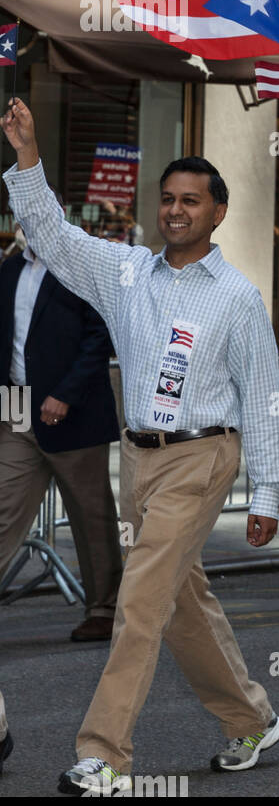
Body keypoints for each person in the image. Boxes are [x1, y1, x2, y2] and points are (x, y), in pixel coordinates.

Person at [1, 97, 279, 796]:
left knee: (140, 601)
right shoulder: (126, 273)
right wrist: (29, 156)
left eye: (191, 200)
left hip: (201, 456)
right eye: (167, 199)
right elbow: (53, 234)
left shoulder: (236, 296)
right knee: (179, 599)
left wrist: (269, 494)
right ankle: (250, 716)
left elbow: (262, 397)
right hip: (138, 457)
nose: (175, 210)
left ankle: (105, 755)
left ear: (218, 213)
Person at [0, 216, 122, 642]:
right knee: (2, 506)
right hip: (16, 411)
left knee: (92, 518)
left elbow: (100, 336)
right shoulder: (10, 269)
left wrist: (65, 394)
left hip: (73, 413)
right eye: (24, 216)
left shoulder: (82, 267)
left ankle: (105, 611)